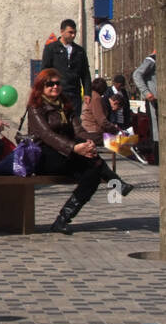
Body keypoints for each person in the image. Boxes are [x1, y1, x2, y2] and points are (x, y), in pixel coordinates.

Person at [26, 69, 131, 233]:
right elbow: (47, 135)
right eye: (50, 84)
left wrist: (93, 141)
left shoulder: (65, 104)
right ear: (41, 87)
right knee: (91, 160)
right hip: (44, 155)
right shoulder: (35, 107)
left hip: (67, 154)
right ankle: (116, 182)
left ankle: (62, 219)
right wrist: (75, 148)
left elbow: (79, 131)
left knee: (94, 172)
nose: (55, 87)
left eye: (57, 83)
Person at [41, 19, 92, 110]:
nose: (73, 35)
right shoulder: (51, 48)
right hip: (57, 92)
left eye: (75, 32)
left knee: (74, 120)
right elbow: (45, 71)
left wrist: (87, 93)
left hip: (74, 93)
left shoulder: (79, 51)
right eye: (70, 32)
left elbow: (85, 73)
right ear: (62, 32)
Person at [133, 51, 157, 154]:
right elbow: (137, 74)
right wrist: (147, 93)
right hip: (155, 102)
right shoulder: (152, 59)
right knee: (156, 131)